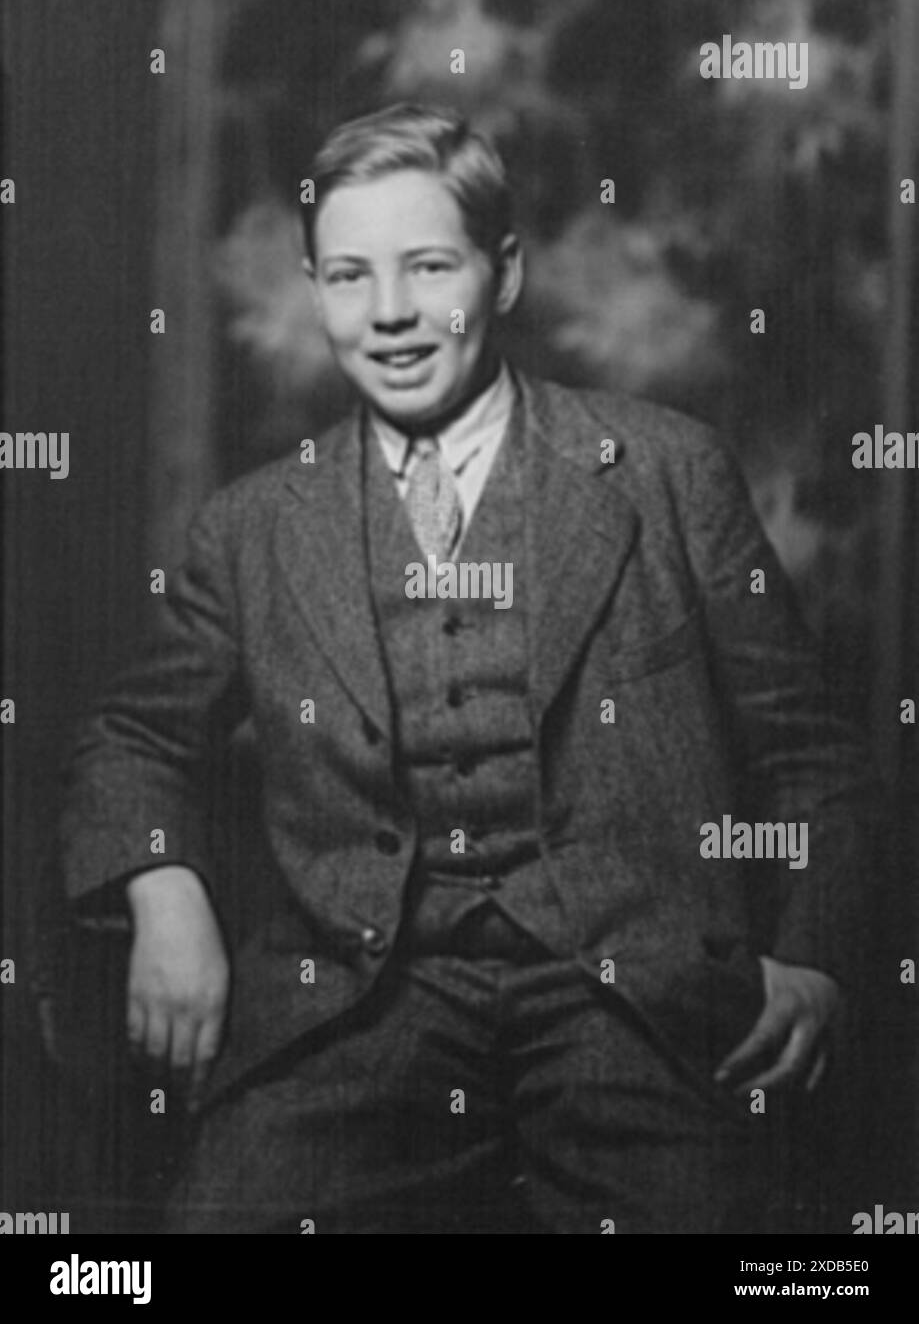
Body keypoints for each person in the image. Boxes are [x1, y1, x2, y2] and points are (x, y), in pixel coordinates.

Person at [59, 101, 876, 1234]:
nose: (389, 314)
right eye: (348, 276)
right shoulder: (250, 528)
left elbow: (810, 753)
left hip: (632, 999)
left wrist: (816, 957)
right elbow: (133, 742)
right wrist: (164, 888)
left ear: (502, 274)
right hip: (362, 1009)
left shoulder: (666, 472)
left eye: (427, 266)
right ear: (315, 289)